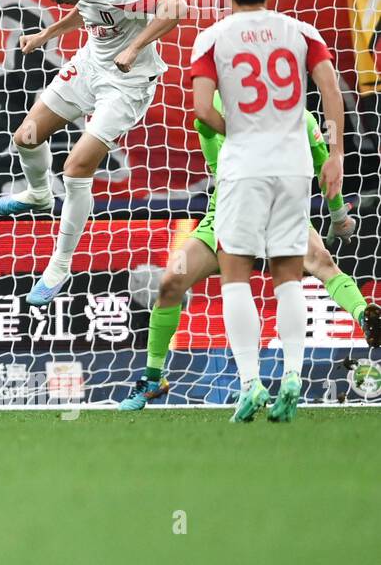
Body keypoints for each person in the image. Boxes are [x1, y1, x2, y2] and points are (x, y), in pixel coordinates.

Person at [119, 91, 381, 409]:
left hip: (280, 213)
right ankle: (152, 378)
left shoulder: (301, 116)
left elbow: (327, 169)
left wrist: (338, 215)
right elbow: (211, 142)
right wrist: (338, 218)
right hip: (228, 213)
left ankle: (362, 317)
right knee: (172, 282)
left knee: (322, 265)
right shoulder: (218, 104)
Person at [189, 0, 346, 422]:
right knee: (288, 275)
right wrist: (335, 151)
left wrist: (236, 127)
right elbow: (330, 89)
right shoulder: (302, 32)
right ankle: (294, 377)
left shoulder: (212, 38)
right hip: (294, 165)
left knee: (235, 275)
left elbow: (201, 110)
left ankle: (251, 384)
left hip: (245, 167)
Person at [0, 0, 188, 306]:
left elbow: (176, 7)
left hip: (126, 83)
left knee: (75, 168)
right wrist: (44, 36)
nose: (52, 0)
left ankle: (59, 266)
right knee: (26, 137)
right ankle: (38, 195)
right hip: (90, 66)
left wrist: (135, 47)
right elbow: (87, 11)